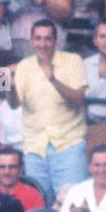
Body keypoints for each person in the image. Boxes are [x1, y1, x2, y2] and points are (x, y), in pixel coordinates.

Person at [6, 20, 88, 202]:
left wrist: (53, 79)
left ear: (55, 40)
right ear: (31, 41)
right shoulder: (24, 66)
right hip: (35, 145)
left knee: (71, 203)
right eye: (38, 39)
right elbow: (13, 104)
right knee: (38, 203)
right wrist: (8, 87)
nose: (42, 44)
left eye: (47, 39)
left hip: (68, 143)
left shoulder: (73, 60)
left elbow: (77, 99)